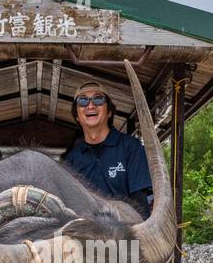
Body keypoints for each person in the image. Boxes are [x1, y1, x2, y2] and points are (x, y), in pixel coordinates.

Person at [60, 80, 152, 216]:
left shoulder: (131, 148)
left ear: (109, 112)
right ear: (77, 117)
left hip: (126, 233)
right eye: (82, 101)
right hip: (85, 234)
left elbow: (141, 206)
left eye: (98, 99)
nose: (90, 106)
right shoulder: (71, 160)